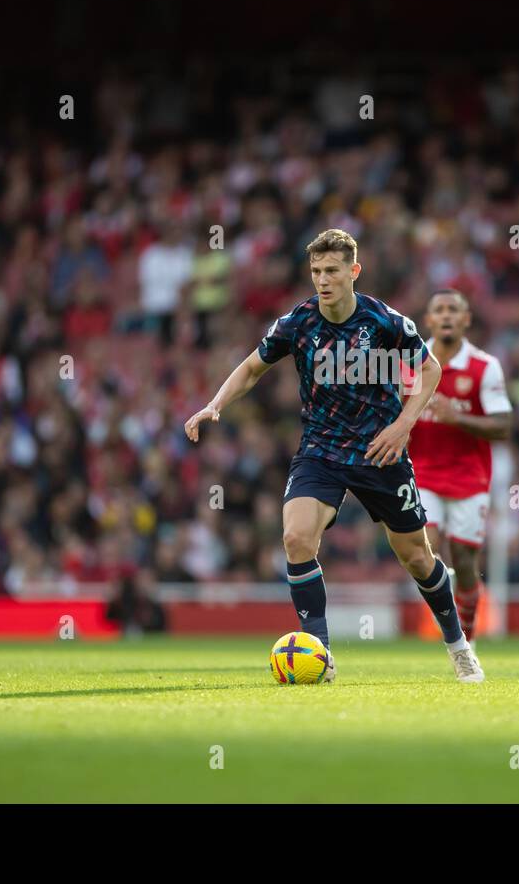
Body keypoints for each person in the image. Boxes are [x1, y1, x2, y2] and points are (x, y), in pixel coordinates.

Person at [185, 229, 484, 682]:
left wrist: (403, 425)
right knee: (296, 539)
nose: (322, 280)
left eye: (331, 271)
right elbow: (250, 368)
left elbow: (430, 368)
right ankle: (320, 654)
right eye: (316, 271)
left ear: (353, 272)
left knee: (418, 559)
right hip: (321, 451)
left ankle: (458, 646)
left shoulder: (383, 321)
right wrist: (215, 404)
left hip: (380, 452)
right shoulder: (297, 323)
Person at [409, 289, 513, 644]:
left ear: (466, 319)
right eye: (439, 309)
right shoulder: (409, 364)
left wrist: (457, 419)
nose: (447, 315)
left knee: (465, 560)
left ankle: (465, 633)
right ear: (429, 320)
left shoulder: (484, 366)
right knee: (426, 547)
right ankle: (451, 631)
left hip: (470, 476)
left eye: (454, 309)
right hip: (422, 473)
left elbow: (503, 426)